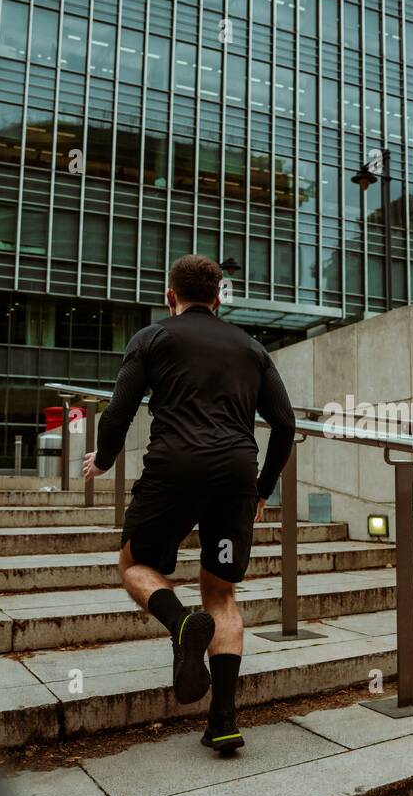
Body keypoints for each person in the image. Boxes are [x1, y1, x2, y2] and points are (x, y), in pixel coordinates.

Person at [83, 254, 296, 753]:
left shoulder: (152, 338)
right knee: (221, 595)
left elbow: (118, 411)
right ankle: (223, 722)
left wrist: (105, 460)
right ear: (219, 299)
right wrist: (263, 489)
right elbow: (285, 425)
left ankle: (181, 625)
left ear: (169, 297)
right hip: (235, 476)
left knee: (135, 563)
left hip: (174, 468)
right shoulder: (251, 347)